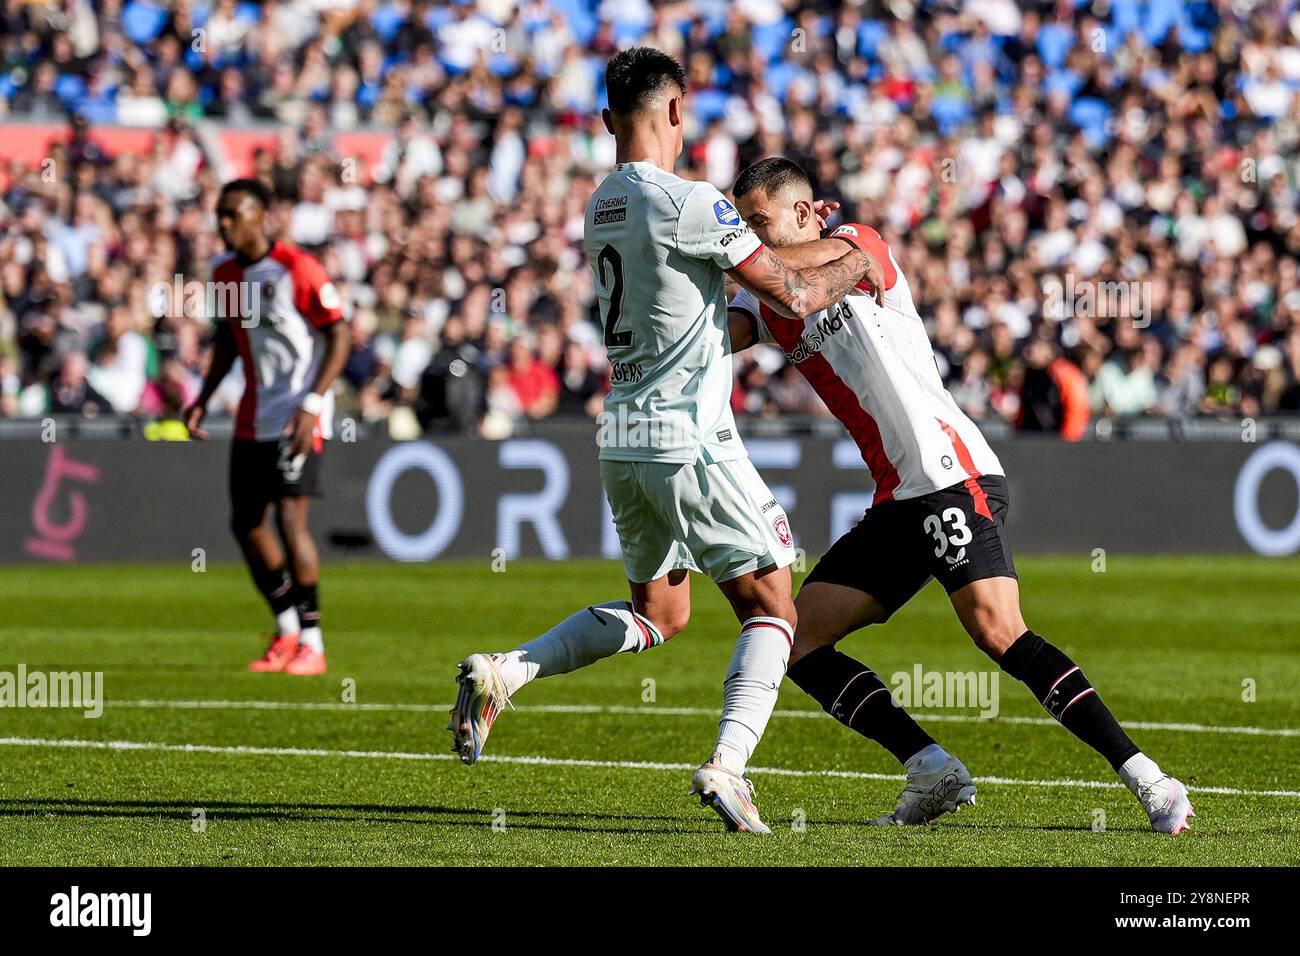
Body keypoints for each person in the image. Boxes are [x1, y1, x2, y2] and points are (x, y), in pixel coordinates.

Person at [448, 48, 885, 834]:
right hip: (691, 436)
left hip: (625, 432)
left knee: (661, 612)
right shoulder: (691, 202)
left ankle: (505, 672)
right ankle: (729, 766)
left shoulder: (602, 203)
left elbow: (707, 314)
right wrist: (860, 256)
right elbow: (789, 290)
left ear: (609, 119)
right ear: (677, 110)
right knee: (775, 609)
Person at [726, 156, 1193, 835]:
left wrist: (747, 272)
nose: (750, 238)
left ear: (806, 213)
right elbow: (717, 332)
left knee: (998, 631)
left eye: (758, 223)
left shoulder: (859, 244)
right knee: (793, 640)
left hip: (952, 472)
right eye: (740, 226)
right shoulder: (768, 303)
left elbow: (804, 283)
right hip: (898, 498)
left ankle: (1152, 782)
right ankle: (930, 767)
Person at [184, 178, 350, 676]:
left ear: (263, 216)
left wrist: (314, 402)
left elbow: (339, 334)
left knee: (289, 520)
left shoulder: (297, 268)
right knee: (245, 523)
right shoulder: (224, 271)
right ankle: (287, 628)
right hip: (253, 414)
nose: (224, 224)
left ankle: (313, 643)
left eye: (234, 214)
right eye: (220, 215)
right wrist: (203, 399)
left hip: (299, 413)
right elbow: (230, 341)